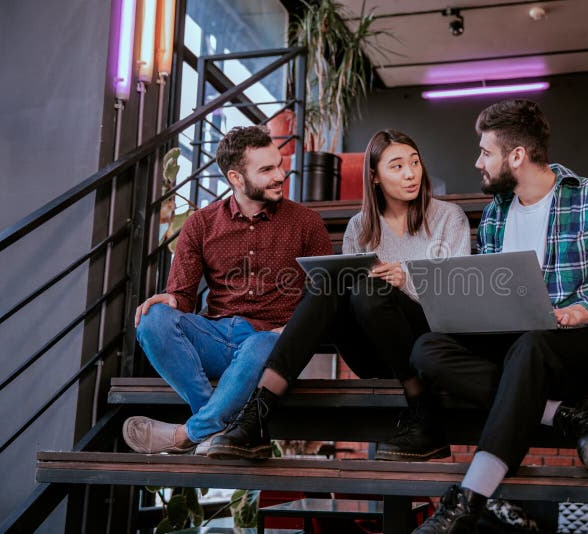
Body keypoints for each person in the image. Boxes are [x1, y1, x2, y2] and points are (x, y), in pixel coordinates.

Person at [411, 99, 588, 533]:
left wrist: (584, 311)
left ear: (517, 156)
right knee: (428, 348)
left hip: (584, 342)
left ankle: (470, 497)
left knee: (533, 344)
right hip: (519, 347)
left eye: (486, 152)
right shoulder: (495, 214)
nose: (478, 161)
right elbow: (487, 291)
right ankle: (568, 417)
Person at [205, 129, 472, 461]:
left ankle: (424, 413)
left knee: (371, 289)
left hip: (425, 346)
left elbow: (456, 306)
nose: (410, 173)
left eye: (414, 163)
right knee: (331, 282)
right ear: (374, 177)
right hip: (373, 351)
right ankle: (258, 413)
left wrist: (406, 279)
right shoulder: (359, 227)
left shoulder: (449, 218)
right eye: (397, 166)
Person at [121, 126, 332, 455]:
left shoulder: (306, 223)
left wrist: (293, 331)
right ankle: (224, 427)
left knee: (259, 345)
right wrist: (172, 299)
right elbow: (183, 296)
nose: (280, 175)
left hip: (272, 340)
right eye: (266, 170)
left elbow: (326, 296)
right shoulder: (201, 223)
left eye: (278, 164)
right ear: (235, 177)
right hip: (217, 336)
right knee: (153, 319)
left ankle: (187, 435)